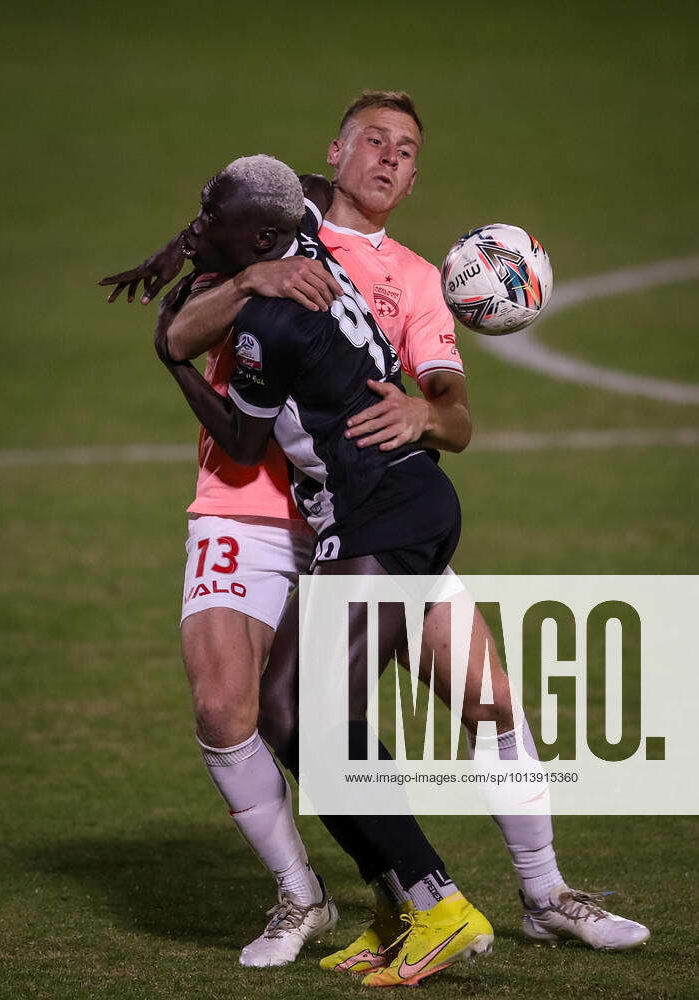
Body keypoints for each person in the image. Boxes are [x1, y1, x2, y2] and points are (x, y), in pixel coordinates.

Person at [101, 91, 649, 961]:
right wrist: (235, 275)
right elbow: (197, 290)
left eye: (407, 151)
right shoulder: (286, 223)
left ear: (416, 176)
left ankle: (543, 893)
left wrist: (423, 419)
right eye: (375, 142)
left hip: (364, 511)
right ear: (337, 151)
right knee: (229, 708)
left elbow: (456, 418)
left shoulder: (426, 280)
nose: (391, 159)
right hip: (246, 503)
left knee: (485, 697)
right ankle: (305, 896)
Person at [155, 153, 496, 988]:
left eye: (215, 222)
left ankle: (440, 902)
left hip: (390, 509)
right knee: (288, 712)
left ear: (267, 240)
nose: (202, 226)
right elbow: (284, 191)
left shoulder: (271, 322)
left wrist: (175, 363)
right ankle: (394, 901)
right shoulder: (301, 232)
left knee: (301, 706)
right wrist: (189, 246)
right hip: (375, 509)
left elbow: (240, 445)